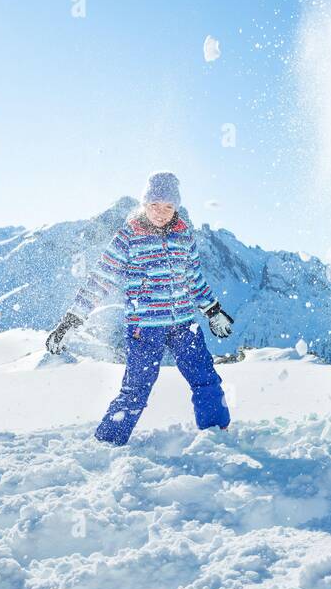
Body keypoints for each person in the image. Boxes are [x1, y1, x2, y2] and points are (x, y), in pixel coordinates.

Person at [45, 171, 235, 444]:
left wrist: (212, 310)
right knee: (135, 390)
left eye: (168, 206)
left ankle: (218, 435)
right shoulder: (129, 235)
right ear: (144, 204)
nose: (160, 212)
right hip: (144, 329)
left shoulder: (184, 236)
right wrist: (72, 318)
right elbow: (102, 278)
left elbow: (194, 277)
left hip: (184, 323)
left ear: (176, 208)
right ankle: (107, 442)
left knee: (206, 378)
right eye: (154, 205)